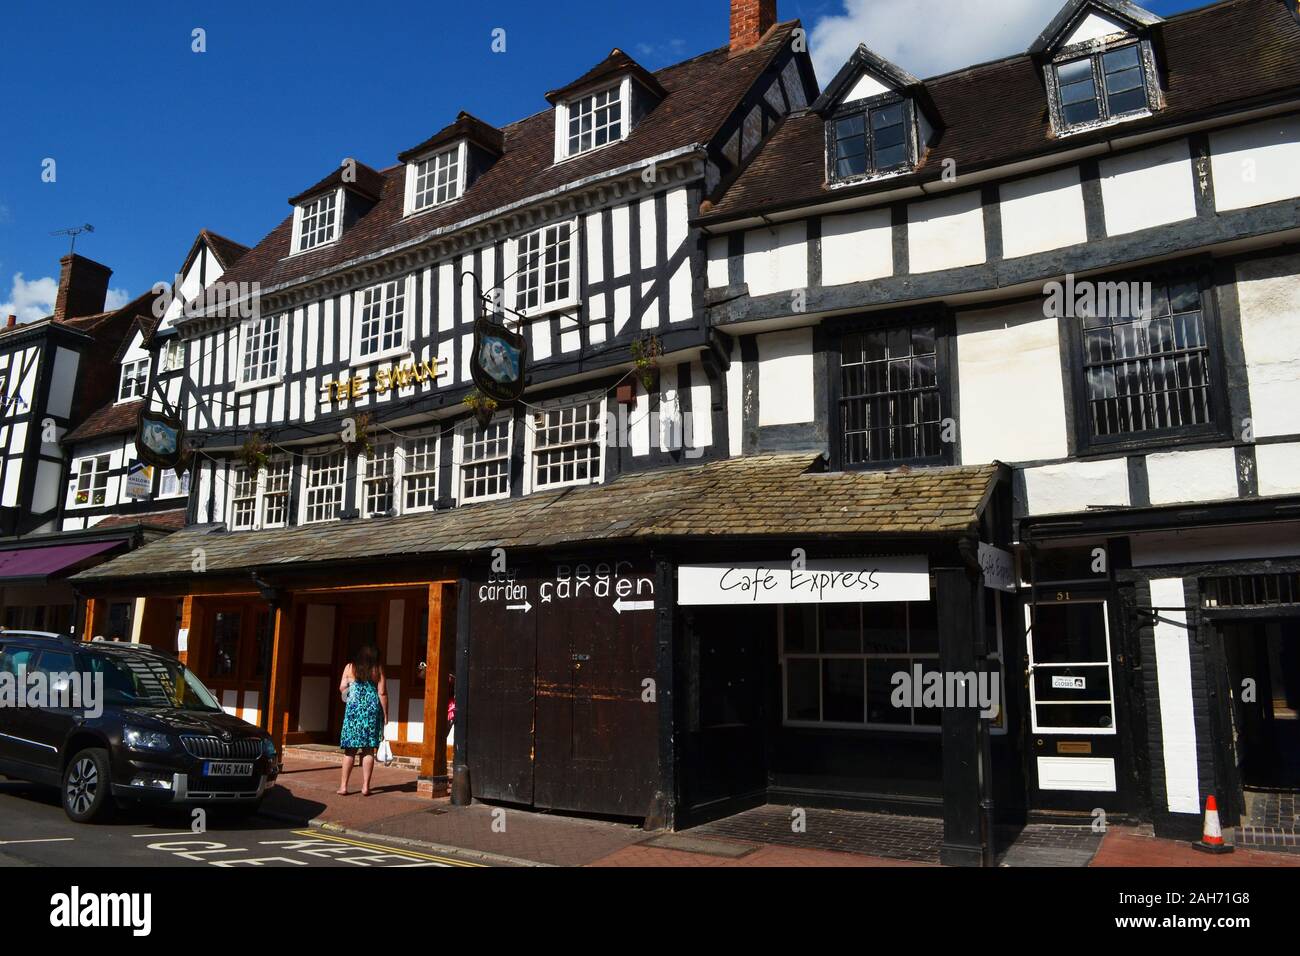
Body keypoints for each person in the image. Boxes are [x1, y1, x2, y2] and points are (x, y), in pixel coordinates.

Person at [338, 645, 387, 796]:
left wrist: (351, 693)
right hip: (371, 712)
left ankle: (344, 786)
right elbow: (382, 693)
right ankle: (366, 786)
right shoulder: (377, 669)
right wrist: (385, 715)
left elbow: (342, 688)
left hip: (353, 711)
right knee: (368, 749)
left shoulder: (349, 667)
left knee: (350, 750)